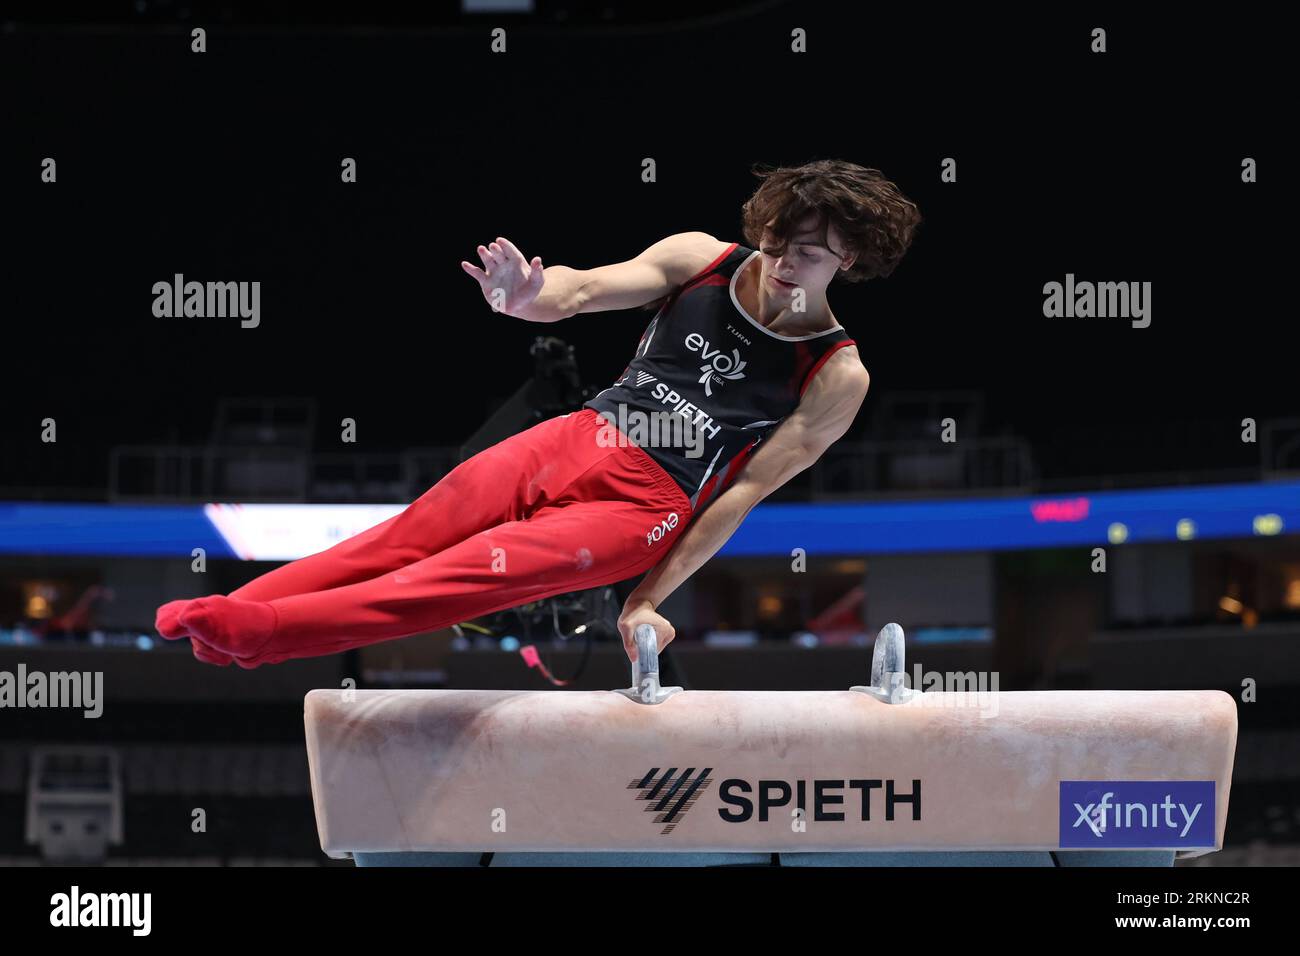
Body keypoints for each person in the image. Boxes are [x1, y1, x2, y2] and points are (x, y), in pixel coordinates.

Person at [155, 159, 920, 668]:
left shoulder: (836, 375)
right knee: (403, 537)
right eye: (779, 240)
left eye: (809, 255)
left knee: (459, 580)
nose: (783, 262)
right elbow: (580, 290)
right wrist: (525, 299)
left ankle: (263, 635)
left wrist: (648, 597)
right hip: (577, 436)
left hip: (642, 505)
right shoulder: (703, 260)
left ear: (849, 260)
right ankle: (230, 610)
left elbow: (741, 494)